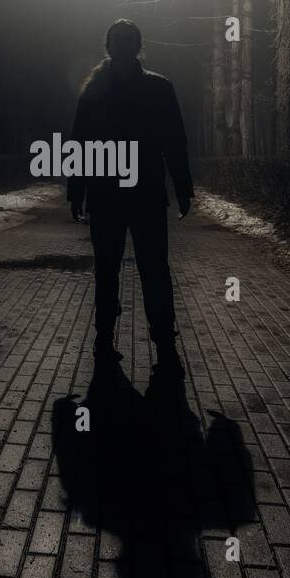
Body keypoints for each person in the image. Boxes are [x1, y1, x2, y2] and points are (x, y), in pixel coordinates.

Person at [67, 19, 193, 369]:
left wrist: (76, 192)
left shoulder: (95, 91)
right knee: (148, 270)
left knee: (113, 271)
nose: (122, 46)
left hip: (112, 194)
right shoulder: (157, 88)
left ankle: (108, 341)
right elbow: (174, 142)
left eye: (124, 40)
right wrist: (183, 189)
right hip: (142, 194)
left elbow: (80, 144)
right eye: (120, 40)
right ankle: (161, 344)